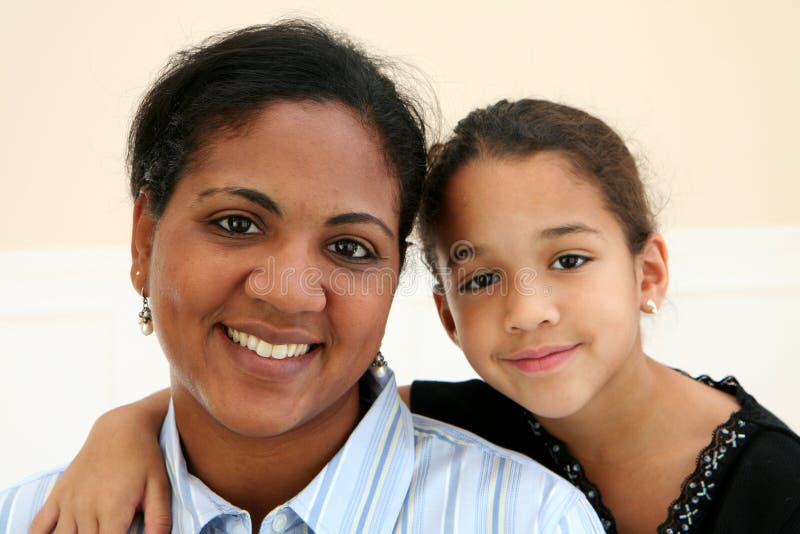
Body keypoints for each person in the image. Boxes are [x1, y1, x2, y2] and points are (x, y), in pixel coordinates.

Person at [18, 97, 800, 533]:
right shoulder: (456, 417)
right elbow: (275, 389)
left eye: (568, 260)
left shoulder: (778, 486)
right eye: (481, 275)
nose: (527, 312)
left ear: (648, 271)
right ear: (447, 316)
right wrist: (120, 433)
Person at [0, 24, 605, 534]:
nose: (289, 290)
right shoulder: (27, 519)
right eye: (237, 222)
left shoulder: (527, 519)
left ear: (395, 280)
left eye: (349, 247)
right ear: (145, 240)